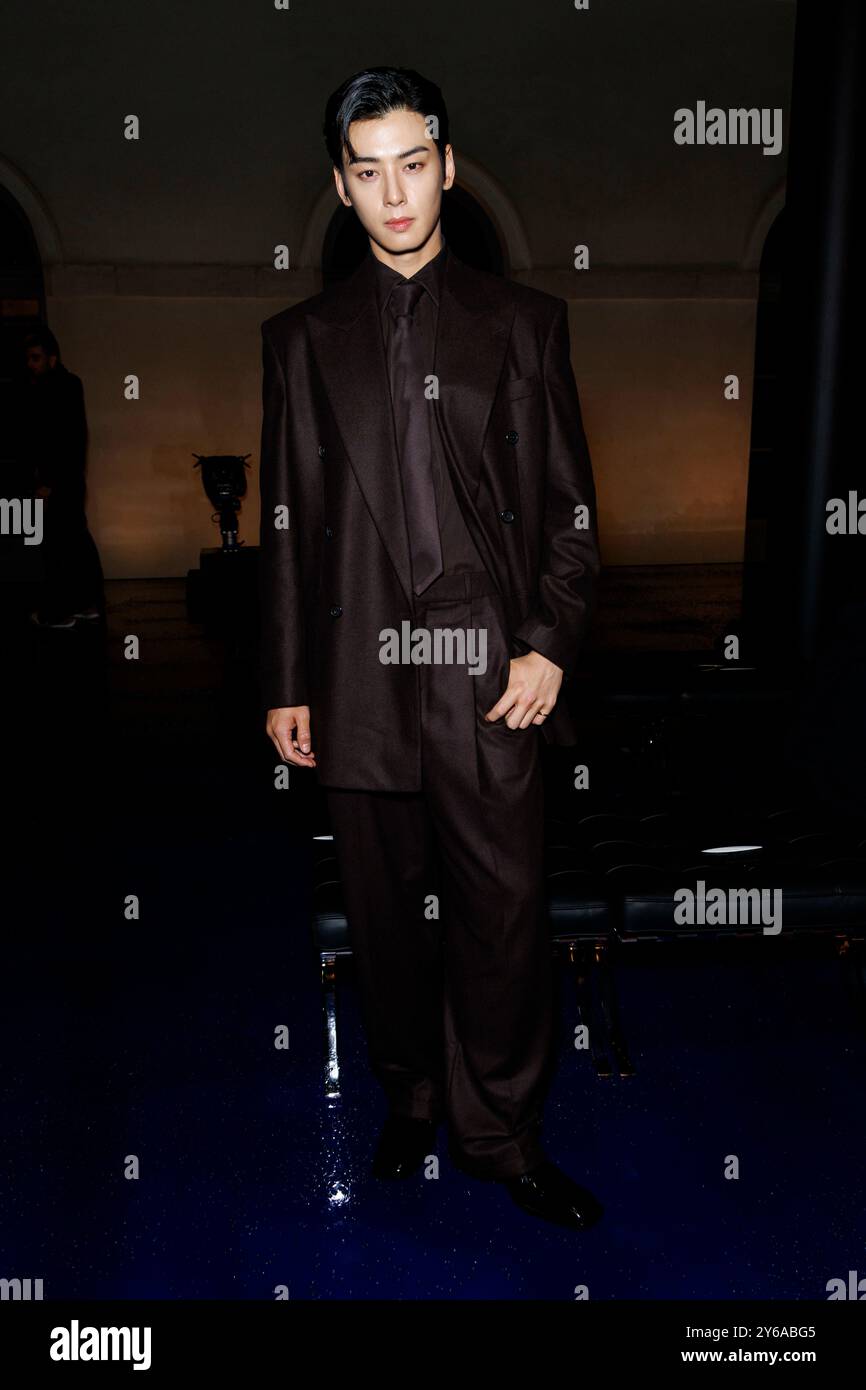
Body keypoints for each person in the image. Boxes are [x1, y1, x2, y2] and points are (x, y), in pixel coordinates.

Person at [258, 67, 602, 1229]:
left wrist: (548, 641)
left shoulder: (524, 324)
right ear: (342, 188)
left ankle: (501, 1134)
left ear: (446, 166)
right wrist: (286, 680)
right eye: (367, 170)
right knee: (385, 918)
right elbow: (287, 524)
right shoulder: (299, 341)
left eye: (414, 162)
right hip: (358, 675)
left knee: (503, 916)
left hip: (487, 672)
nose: (394, 192)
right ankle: (410, 1099)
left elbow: (568, 507)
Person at [23, 327, 104, 628]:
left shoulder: (52, 389)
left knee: (58, 546)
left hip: (58, 481)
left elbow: (59, 440)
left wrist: (47, 483)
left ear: (51, 359)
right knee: (74, 541)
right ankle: (85, 603)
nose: (31, 364)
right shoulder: (65, 385)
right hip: (66, 479)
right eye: (29, 358)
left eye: (35, 358)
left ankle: (60, 611)